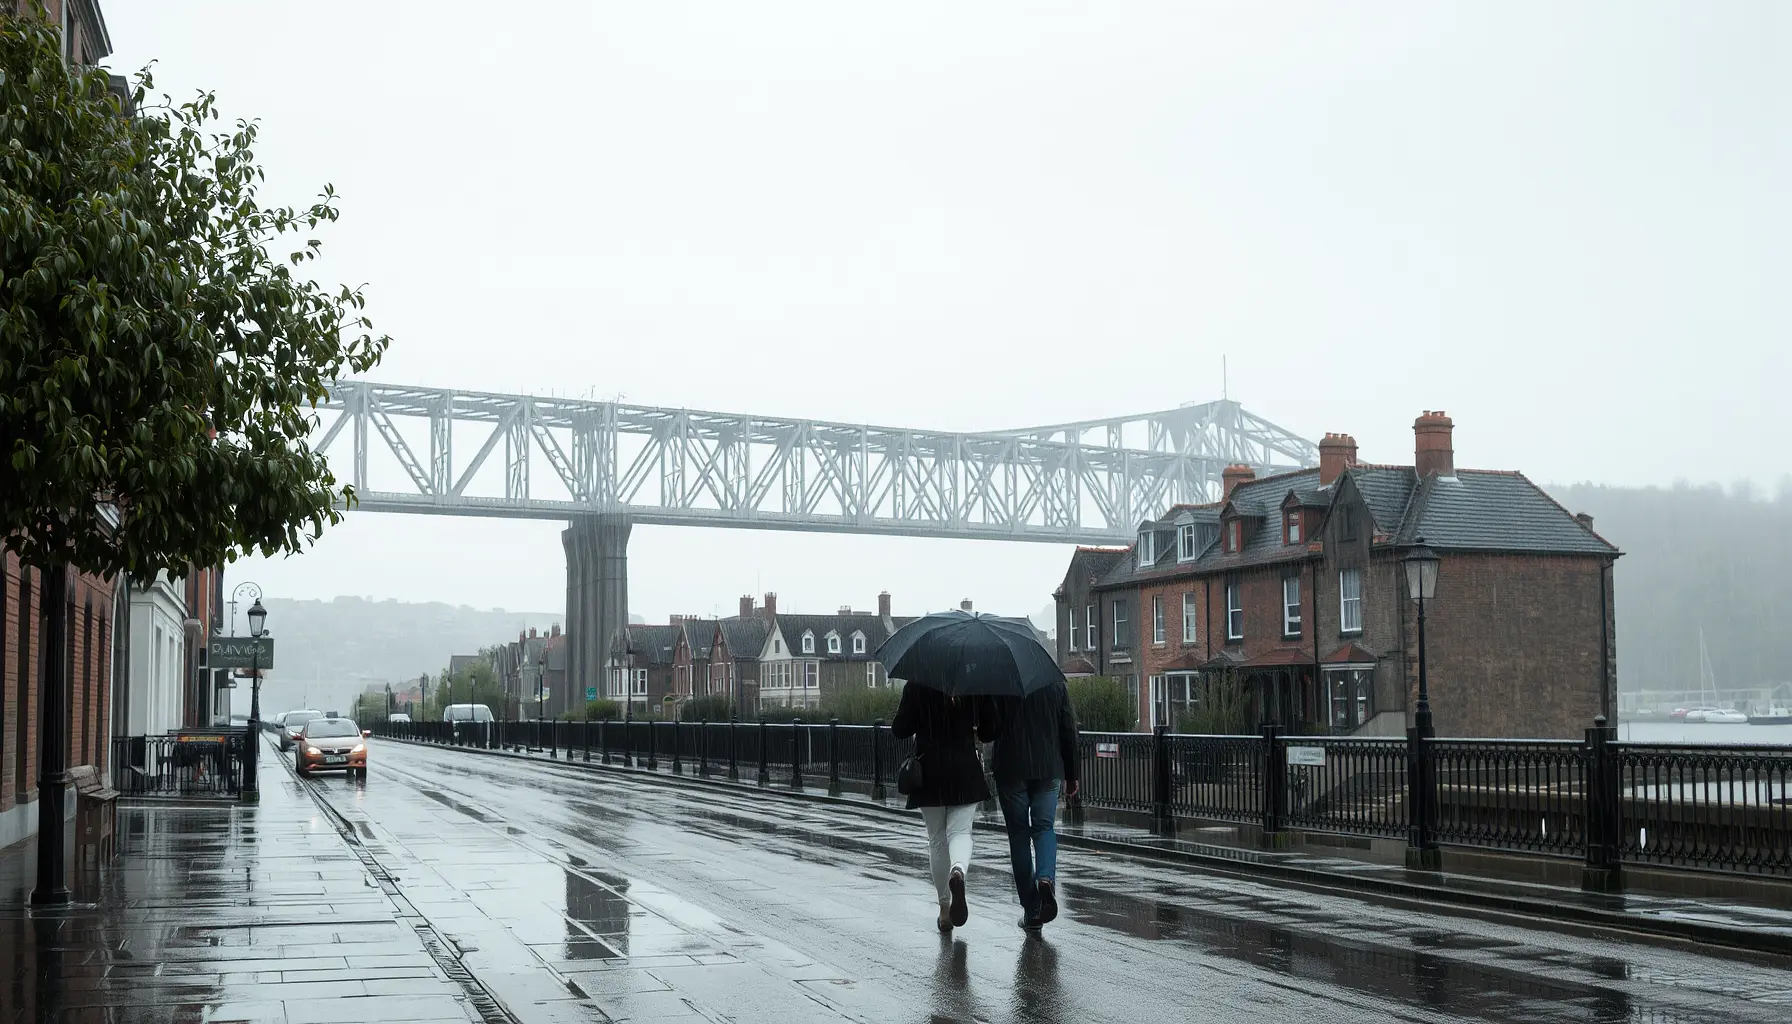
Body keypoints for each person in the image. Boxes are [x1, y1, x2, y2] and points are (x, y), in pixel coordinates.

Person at [892, 683, 1000, 932]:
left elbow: (900, 729)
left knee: (937, 841)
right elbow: (990, 730)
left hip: (929, 772)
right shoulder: (973, 683)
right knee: (961, 833)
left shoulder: (917, 685)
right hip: (964, 770)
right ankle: (958, 872)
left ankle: (944, 910)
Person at [991, 679, 1079, 930]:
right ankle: (1045, 878)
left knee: (1019, 836)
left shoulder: (1001, 681)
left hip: (1011, 769)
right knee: (1044, 828)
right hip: (1048, 768)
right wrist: (1072, 773)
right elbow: (1068, 729)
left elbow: (990, 728)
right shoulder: (1054, 683)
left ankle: (1032, 911)